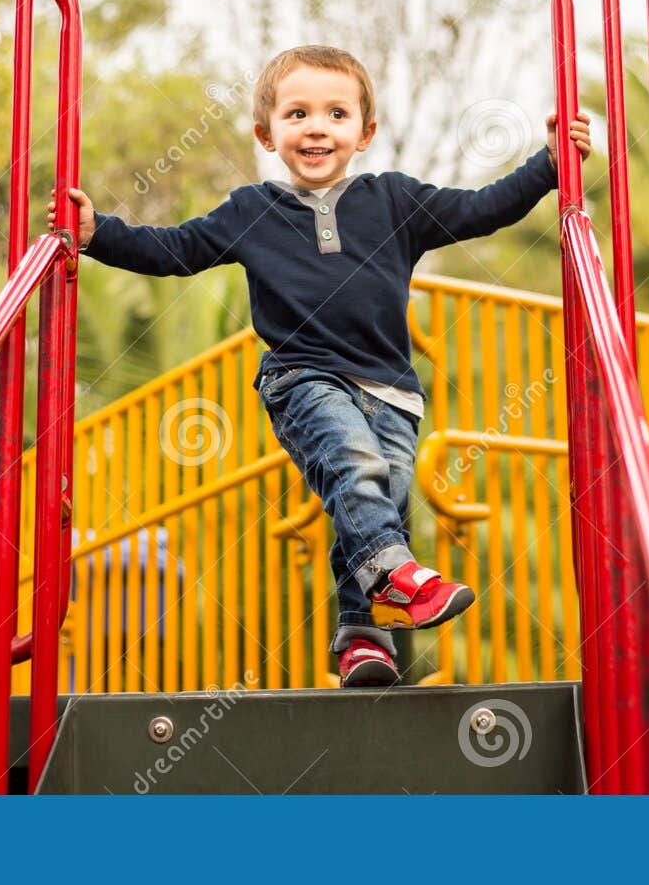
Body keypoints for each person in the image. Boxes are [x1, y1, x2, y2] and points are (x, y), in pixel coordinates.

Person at [47, 45, 592, 687]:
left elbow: (481, 209)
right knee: (355, 469)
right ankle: (397, 576)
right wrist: (98, 232)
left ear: (364, 133)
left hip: (392, 391)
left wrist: (549, 165)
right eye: (297, 112)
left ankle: (364, 640)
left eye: (336, 113)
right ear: (266, 134)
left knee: (368, 503)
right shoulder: (250, 211)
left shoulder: (395, 201)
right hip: (302, 377)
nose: (316, 127)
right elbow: (175, 250)